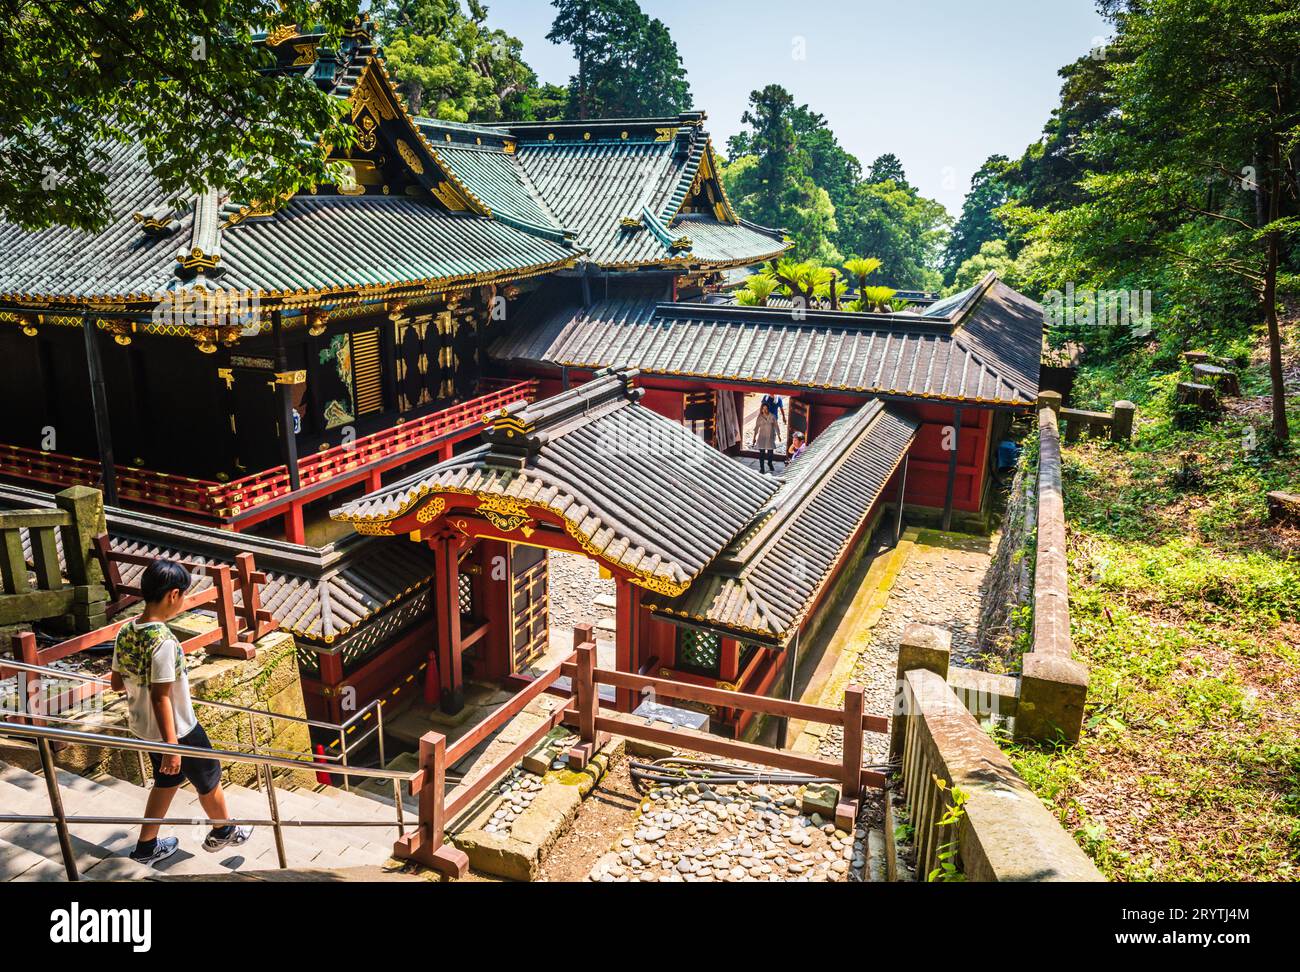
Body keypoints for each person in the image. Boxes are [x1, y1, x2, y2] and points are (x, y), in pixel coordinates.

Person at [110, 559, 253, 865]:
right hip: (179, 731)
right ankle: (223, 830)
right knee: (209, 778)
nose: (184, 601)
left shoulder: (126, 631)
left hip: (143, 728)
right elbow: (163, 697)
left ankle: (146, 848)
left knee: (167, 782)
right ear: (173, 595)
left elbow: (116, 683)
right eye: (184, 595)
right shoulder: (164, 642)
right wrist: (172, 747)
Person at [752, 402, 779, 474]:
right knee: (762, 454)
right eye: (763, 409)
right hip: (762, 437)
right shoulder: (760, 417)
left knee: (770, 453)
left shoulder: (772, 416)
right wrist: (754, 437)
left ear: (768, 409)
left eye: (766, 409)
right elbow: (756, 428)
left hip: (770, 436)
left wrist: (779, 435)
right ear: (761, 409)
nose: (765, 410)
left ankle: (770, 463)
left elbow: (776, 426)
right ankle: (762, 468)